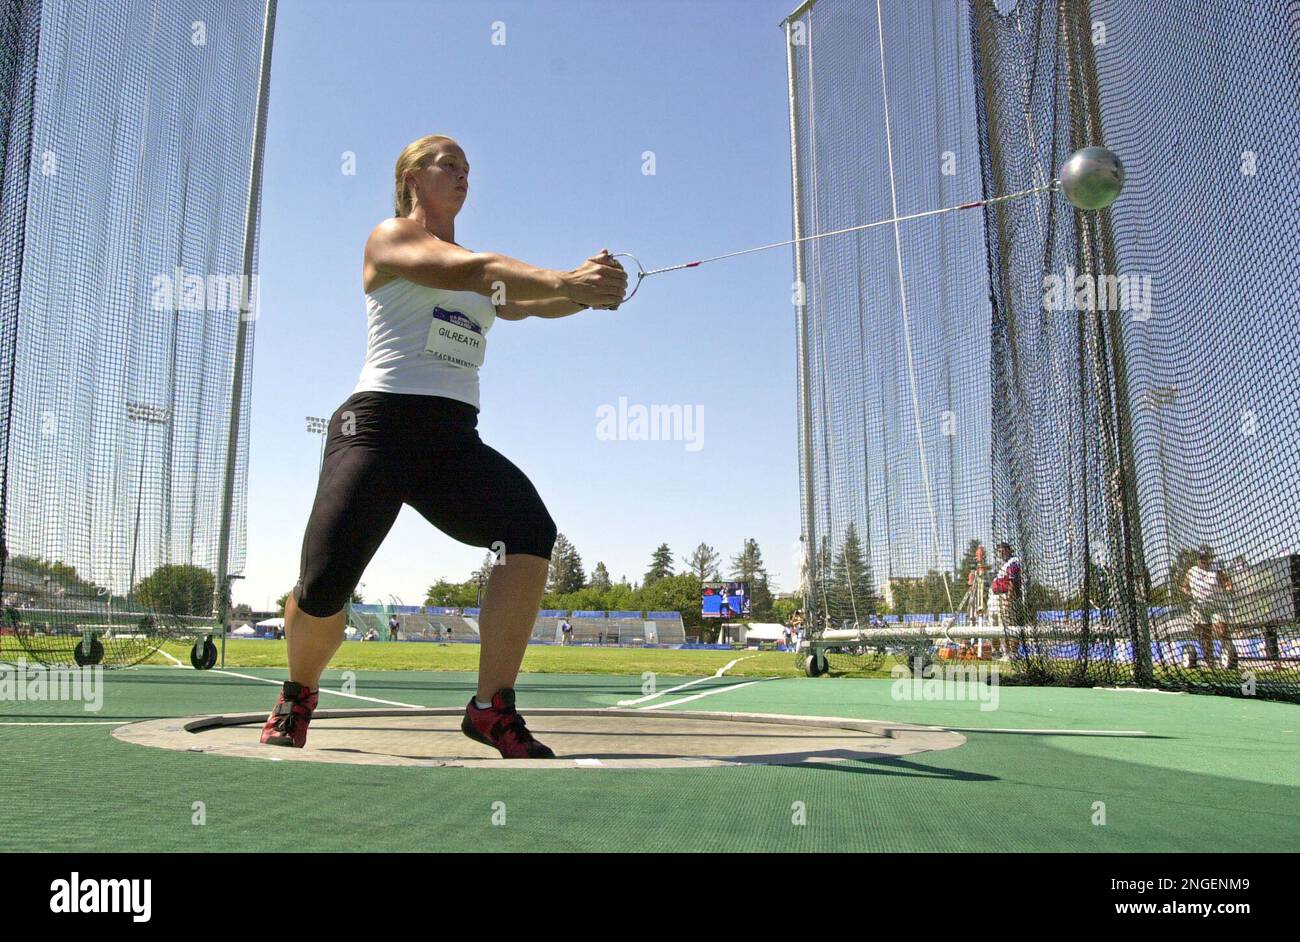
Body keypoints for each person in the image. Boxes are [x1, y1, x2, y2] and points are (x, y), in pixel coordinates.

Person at [260, 135, 627, 758]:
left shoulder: (478, 267)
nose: (463, 175)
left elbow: (530, 302)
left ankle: (491, 710)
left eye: (467, 168)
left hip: (451, 439)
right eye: (448, 164)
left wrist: (585, 294)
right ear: (410, 177)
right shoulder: (391, 239)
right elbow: (481, 272)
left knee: (529, 531)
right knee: (323, 589)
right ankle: (298, 694)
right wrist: (568, 279)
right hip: (376, 428)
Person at [1182, 546, 1237, 669]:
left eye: (1205, 558)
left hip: (1217, 604)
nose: (1203, 561)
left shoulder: (1216, 570)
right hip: (1200, 606)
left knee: (1221, 630)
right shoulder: (1192, 572)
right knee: (1204, 634)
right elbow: (1184, 586)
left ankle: (1227, 654)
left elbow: (1227, 582)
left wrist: (1229, 587)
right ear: (1198, 559)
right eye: (1201, 558)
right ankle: (1210, 661)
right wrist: (1188, 593)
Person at [989, 542, 1022, 659]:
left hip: (1006, 599)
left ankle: (1012, 653)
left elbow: (1012, 582)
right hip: (997, 600)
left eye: (1002, 550)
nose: (1000, 553)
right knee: (998, 627)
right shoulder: (1004, 565)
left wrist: (1009, 597)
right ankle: (1001, 652)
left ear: (1008, 550)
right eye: (999, 551)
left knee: (1010, 626)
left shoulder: (1013, 562)